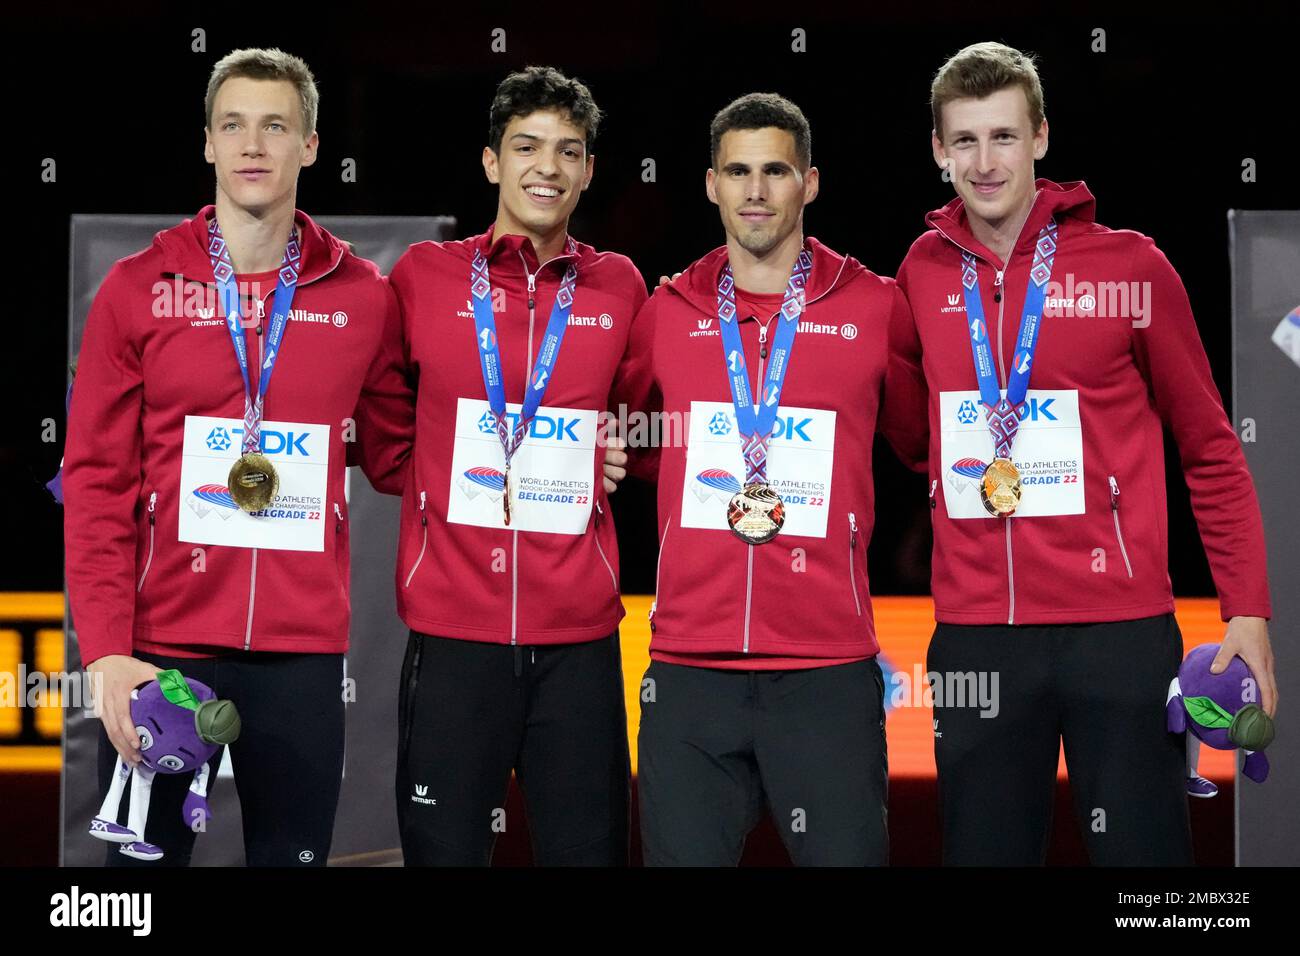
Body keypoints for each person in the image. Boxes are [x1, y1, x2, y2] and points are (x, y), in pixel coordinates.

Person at [894, 41, 1277, 865]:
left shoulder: (1130, 267)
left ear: (1040, 137)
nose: (985, 162)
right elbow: (909, 434)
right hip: (978, 638)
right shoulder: (921, 272)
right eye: (965, 140)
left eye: (1004, 136)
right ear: (938, 150)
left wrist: (1245, 608)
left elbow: (1210, 447)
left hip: (1119, 634)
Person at [65, 47, 398, 866]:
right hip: (164, 651)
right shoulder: (139, 289)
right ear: (207, 142)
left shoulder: (362, 296)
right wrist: (105, 650)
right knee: (136, 894)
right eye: (234, 125)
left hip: (303, 657)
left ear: (310, 145)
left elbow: (398, 448)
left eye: (275, 126)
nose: (253, 144)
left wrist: (567, 458)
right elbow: (96, 480)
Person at [612, 92, 926, 866]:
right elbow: (632, 435)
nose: (756, 190)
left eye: (776, 171)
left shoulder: (876, 307)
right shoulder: (666, 310)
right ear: (711, 184)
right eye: (738, 171)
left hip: (826, 671)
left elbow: (923, 441)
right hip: (689, 672)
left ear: (809, 182)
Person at [353, 66, 648, 866]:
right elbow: (382, 426)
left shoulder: (619, 285)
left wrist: (616, 448)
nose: (547, 167)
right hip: (454, 636)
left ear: (588, 170)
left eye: (568, 151)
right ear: (491, 161)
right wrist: (435, 474)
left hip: (579, 640)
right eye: (526, 146)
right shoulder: (423, 276)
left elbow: (643, 419)